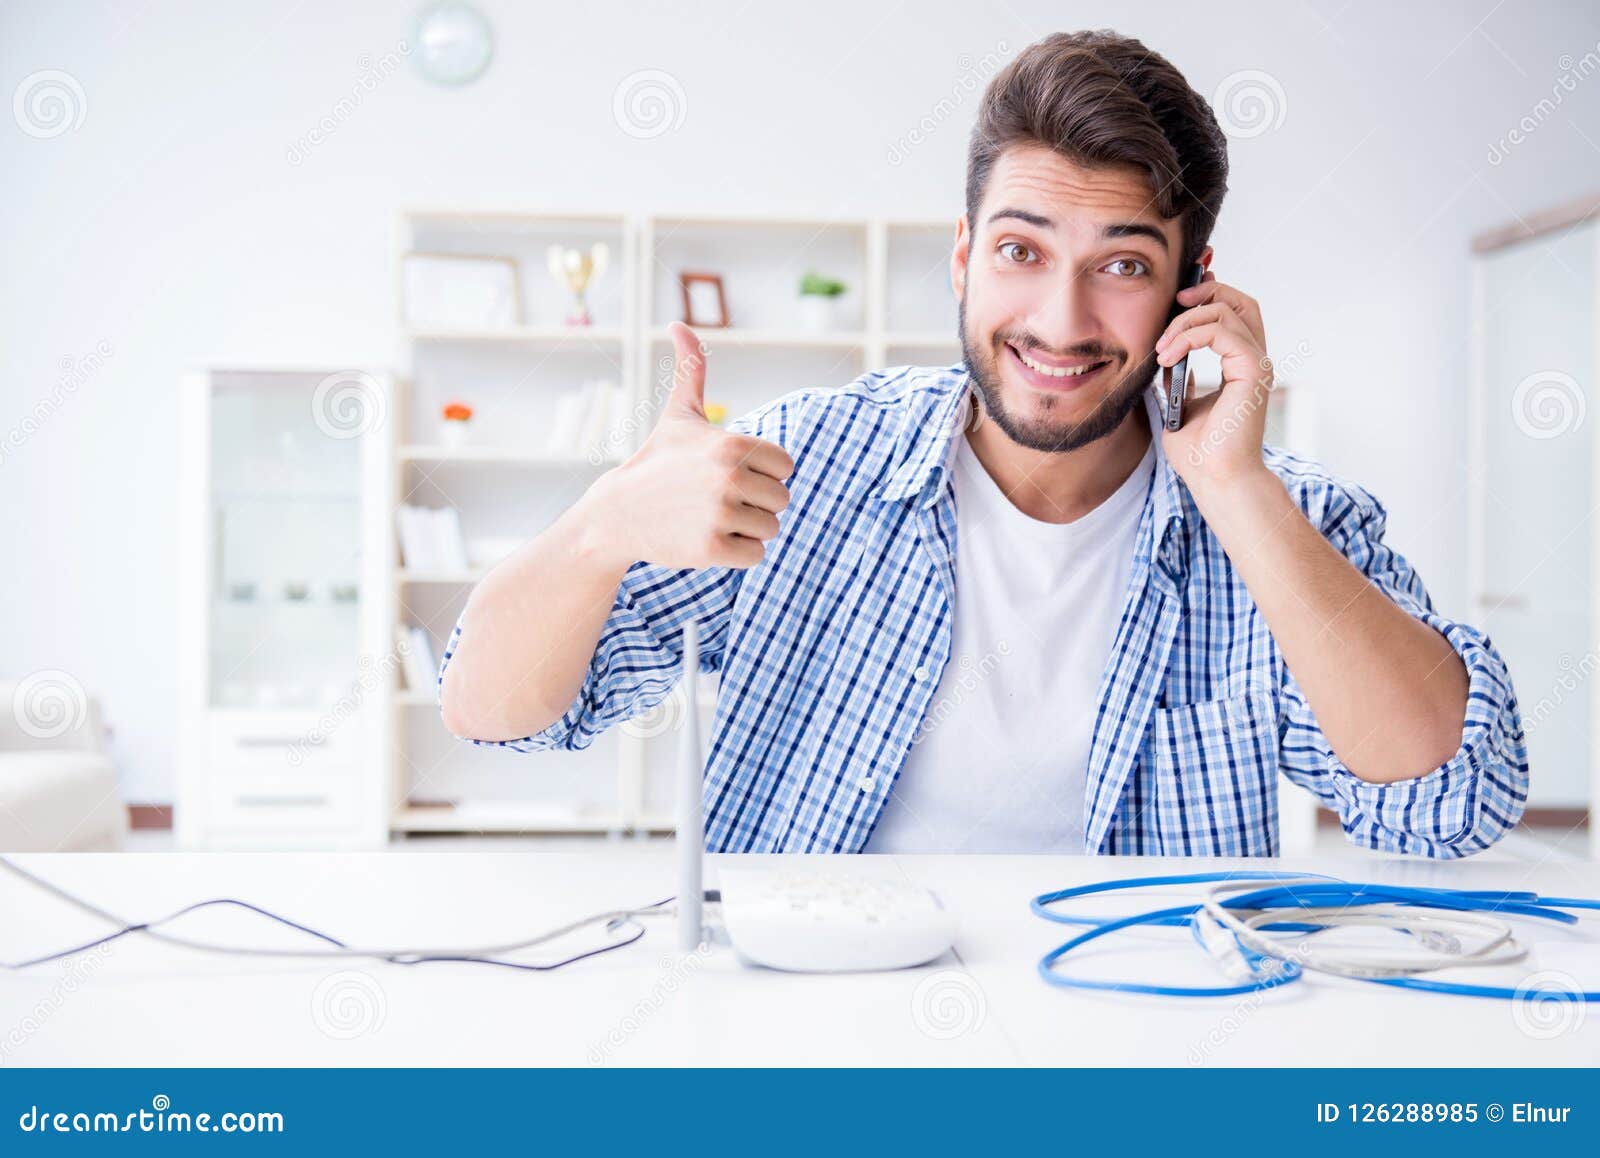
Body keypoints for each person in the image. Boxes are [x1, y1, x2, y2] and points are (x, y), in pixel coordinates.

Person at [439, 29, 1527, 856]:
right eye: (1021, 250)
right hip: (812, 1035)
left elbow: (1450, 806)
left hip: (1140, 1051)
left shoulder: (1283, 520)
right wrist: (596, 532)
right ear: (962, 256)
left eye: (1121, 265)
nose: (1058, 321)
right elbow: (491, 717)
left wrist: (1237, 493)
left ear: (1193, 290)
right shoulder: (801, 472)